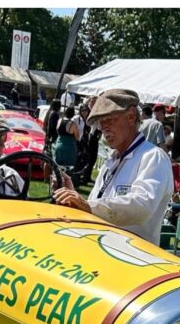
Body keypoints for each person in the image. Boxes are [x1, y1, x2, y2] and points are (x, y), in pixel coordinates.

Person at [52, 88, 173, 245]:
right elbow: (97, 204)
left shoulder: (153, 157)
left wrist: (87, 205)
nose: (104, 128)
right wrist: (74, 197)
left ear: (130, 117)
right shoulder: (114, 159)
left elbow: (142, 206)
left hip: (132, 259)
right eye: (101, 123)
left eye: (109, 120)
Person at [53, 105, 80, 169]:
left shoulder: (59, 120)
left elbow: (57, 131)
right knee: (68, 169)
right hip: (69, 148)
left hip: (59, 145)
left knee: (57, 168)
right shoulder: (73, 124)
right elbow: (77, 137)